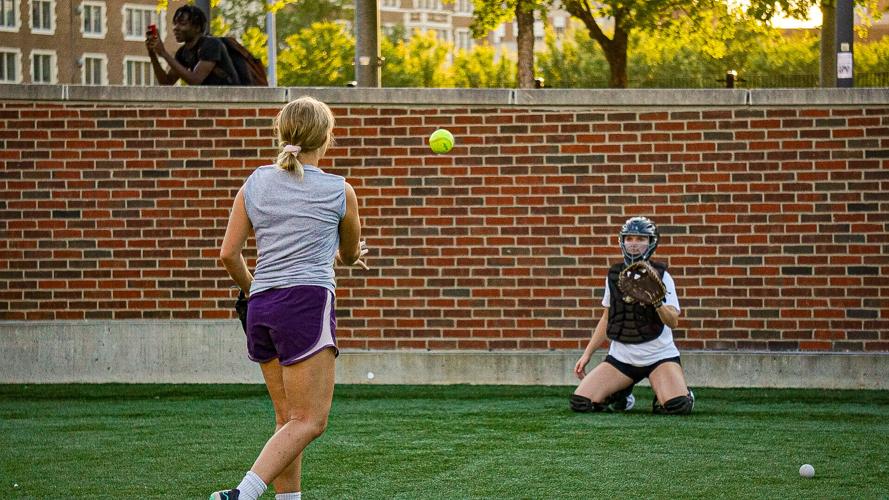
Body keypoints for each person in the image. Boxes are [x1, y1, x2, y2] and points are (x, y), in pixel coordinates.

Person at [216, 96, 368, 500]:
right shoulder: (340, 191)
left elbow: (229, 254)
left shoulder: (255, 182)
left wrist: (254, 289)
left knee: (287, 419)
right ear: (327, 138)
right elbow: (350, 255)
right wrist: (347, 256)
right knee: (311, 421)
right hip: (305, 304)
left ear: (282, 133)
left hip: (261, 306)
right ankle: (242, 494)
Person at [570, 216, 695, 415]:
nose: (634, 244)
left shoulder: (662, 276)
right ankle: (622, 394)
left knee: (676, 407)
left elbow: (673, 321)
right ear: (623, 241)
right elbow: (607, 318)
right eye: (629, 238)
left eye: (641, 239)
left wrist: (656, 301)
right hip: (621, 358)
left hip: (658, 356)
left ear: (651, 242)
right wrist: (587, 354)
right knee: (581, 403)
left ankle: (679, 392)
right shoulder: (614, 275)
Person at [145, 5, 240, 86]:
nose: (176, 28)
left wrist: (164, 53)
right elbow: (167, 83)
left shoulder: (212, 44)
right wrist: (152, 54)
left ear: (197, 28)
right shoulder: (183, 52)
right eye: (175, 23)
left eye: (182, 24)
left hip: (230, 102)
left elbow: (195, 80)